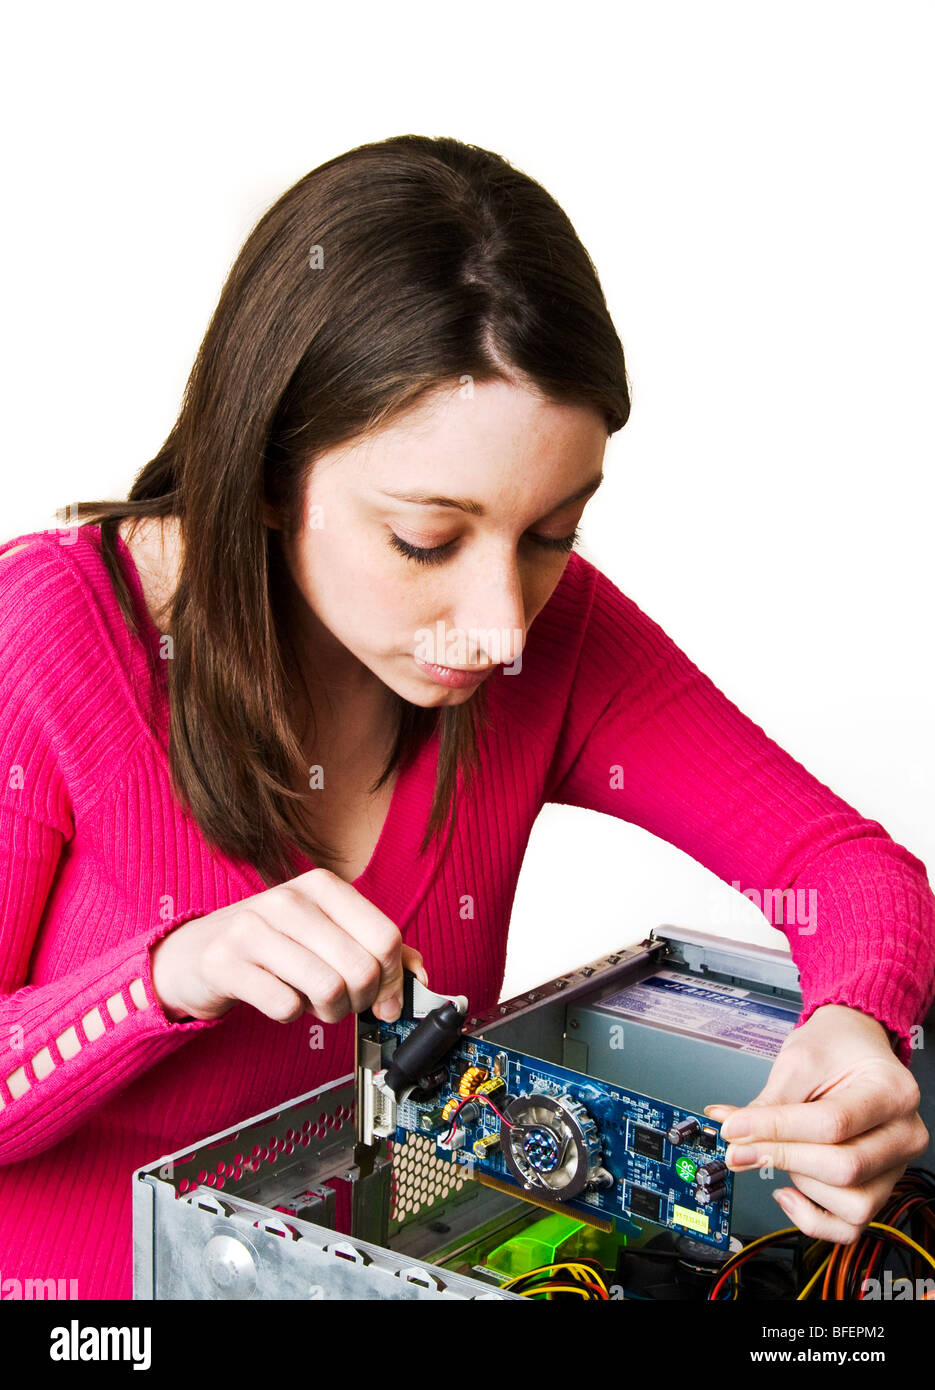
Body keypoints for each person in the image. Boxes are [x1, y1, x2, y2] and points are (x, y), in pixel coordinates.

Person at [0, 134, 931, 1302]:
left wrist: (855, 1028)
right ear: (274, 466)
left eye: (552, 532)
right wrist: (165, 976)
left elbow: (839, 864)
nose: (498, 629)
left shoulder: (559, 645)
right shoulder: (44, 634)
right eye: (424, 540)